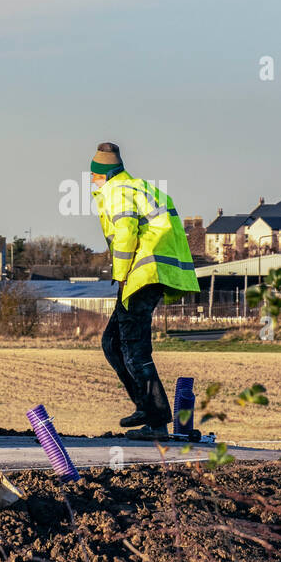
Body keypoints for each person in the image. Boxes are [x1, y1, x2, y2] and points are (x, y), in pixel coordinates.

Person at [90, 142, 200, 440]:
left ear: (106, 174)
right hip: (153, 274)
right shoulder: (145, 189)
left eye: (94, 176)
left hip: (141, 275)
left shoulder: (116, 192)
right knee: (112, 342)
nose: (91, 181)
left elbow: (125, 231)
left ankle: (155, 421)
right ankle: (145, 406)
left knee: (132, 347)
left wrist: (121, 273)